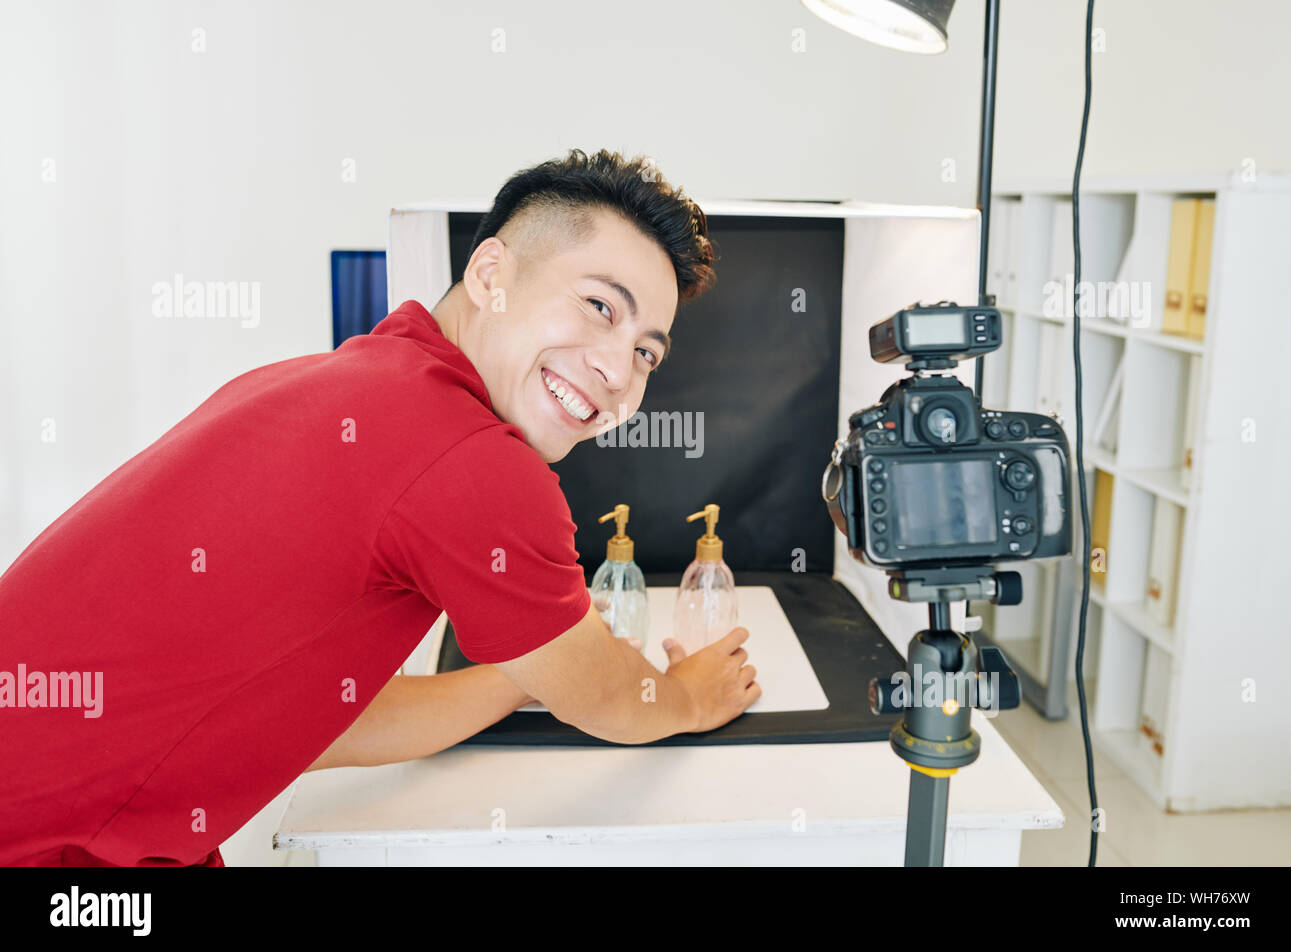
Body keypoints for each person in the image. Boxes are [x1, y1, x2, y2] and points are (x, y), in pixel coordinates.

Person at [0, 148, 760, 867]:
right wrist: (688, 696)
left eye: (647, 352)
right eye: (599, 306)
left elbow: (309, 721)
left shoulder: (338, 382)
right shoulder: (476, 464)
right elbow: (615, 703)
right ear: (492, 271)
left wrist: (538, 667)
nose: (617, 372)